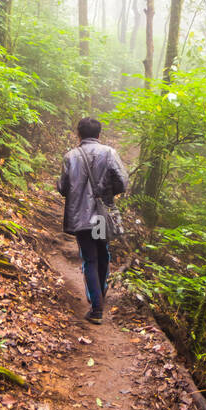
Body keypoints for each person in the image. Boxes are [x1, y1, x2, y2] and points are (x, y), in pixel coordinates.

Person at [56, 116, 128, 325]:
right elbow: (122, 182)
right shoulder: (109, 153)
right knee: (102, 252)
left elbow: (62, 187)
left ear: (79, 134)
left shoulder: (70, 156)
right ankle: (100, 293)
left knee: (90, 258)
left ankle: (96, 308)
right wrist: (106, 193)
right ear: (98, 135)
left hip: (81, 216)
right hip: (100, 215)